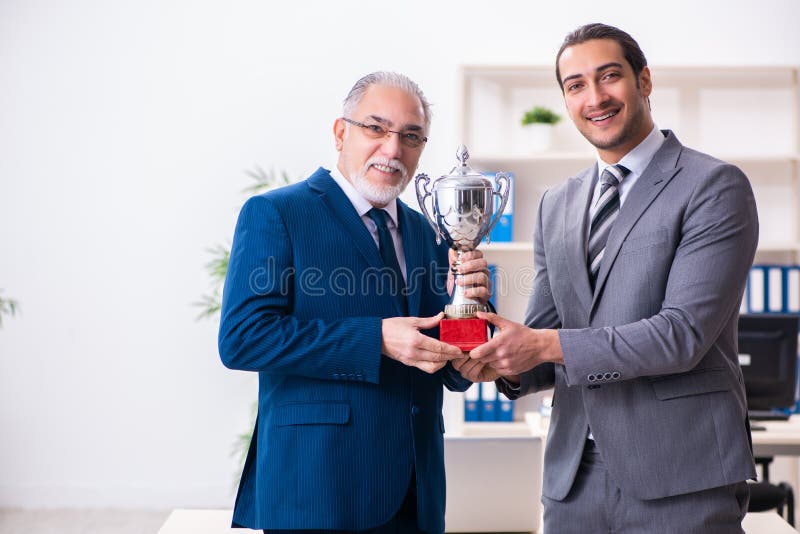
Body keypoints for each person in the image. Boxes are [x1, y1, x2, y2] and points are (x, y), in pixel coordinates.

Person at [456, 23, 759, 532]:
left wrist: (543, 345)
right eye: (575, 85)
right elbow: (546, 335)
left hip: (681, 476)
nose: (594, 97)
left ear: (643, 81)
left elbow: (681, 335)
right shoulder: (557, 204)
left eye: (609, 76)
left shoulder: (713, 186)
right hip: (573, 482)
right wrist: (503, 360)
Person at [218, 71, 489, 534]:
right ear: (341, 132)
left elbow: (437, 354)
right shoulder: (277, 213)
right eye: (376, 128)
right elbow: (243, 339)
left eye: (410, 136)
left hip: (416, 492)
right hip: (319, 487)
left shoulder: (429, 232)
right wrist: (375, 339)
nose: (392, 148)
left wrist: (469, 344)